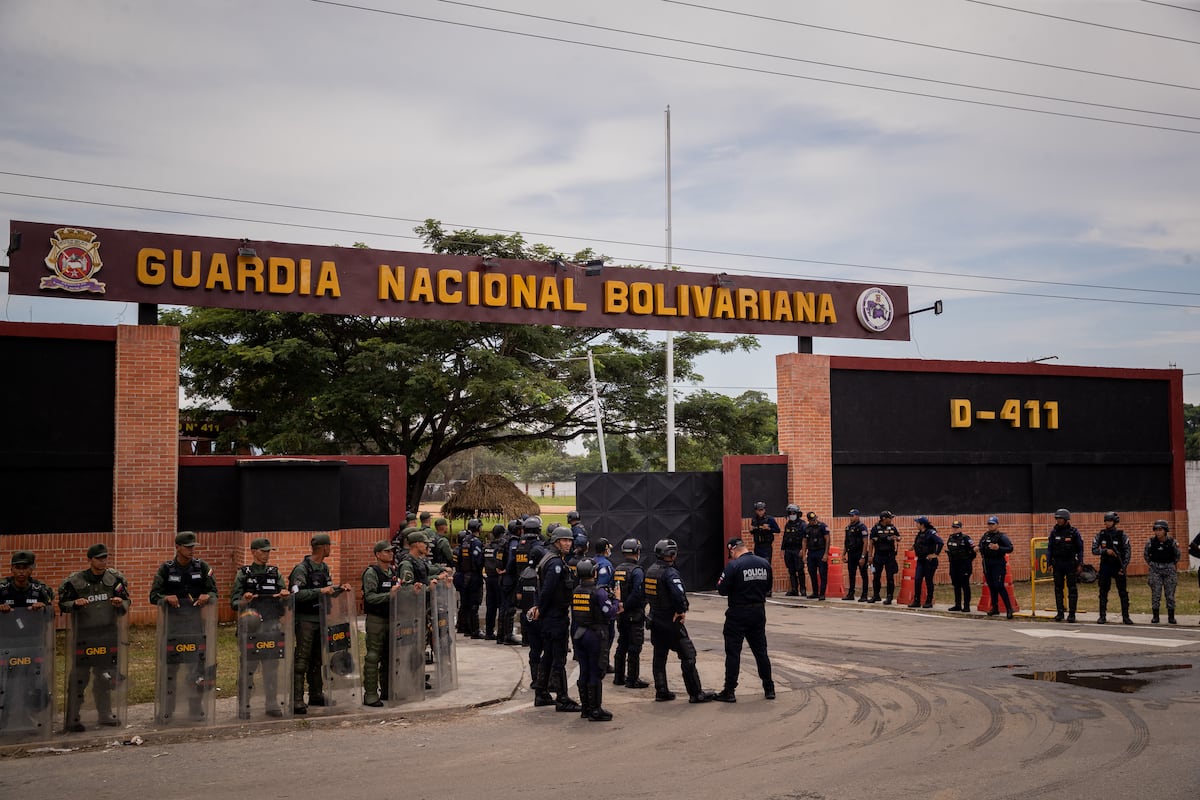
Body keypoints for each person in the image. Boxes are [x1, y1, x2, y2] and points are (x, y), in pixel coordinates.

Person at [59, 543, 130, 730]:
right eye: (99, 558)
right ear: (90, 560)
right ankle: (72, 717)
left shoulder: (115, 579)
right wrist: (74, 603)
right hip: (84, 635)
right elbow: (63, 604)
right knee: (79, 677)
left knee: (105, 676)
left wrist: (120, 603)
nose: (103, 561)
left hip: (108, 633)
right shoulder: (75, 581)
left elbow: (126, 602)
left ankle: (105, 714)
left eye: (105, 558)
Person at [149, 531, 218, 722]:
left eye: (193, 547)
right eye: (187, 547)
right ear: (177, 547)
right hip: (173, 627)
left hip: (195, 626)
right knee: (170, 670)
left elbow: (214, 592)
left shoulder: (202, 567)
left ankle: (195, 708)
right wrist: (165, 598)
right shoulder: (166, 569)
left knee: (195, 669)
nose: (191, 550)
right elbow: (153, 596)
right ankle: (167, 710)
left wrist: (207, 596)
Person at [645, 538, 716, 704]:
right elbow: (678, 594)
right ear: (671, 554)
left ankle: (661, 691)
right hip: (671, 620)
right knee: (688, 655)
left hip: (655, 619)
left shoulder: (650, 571)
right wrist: (681, 610)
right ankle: (696, 693)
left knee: (659, 656)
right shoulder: (670, 573)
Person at [289, 533, 352, 714]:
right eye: (329, 546)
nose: (330, 549)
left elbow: (327, 591)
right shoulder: (302, 569)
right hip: (306, 620)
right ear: (324, 547)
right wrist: (319, 591)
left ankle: (316, 694)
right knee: (302, 659)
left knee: (318, 658)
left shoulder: (324, 568)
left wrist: (340, 589)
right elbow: (296, 594)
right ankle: (297, 699)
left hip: (321, 618)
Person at [231, 537, 289, 718]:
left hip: (271, 625)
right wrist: (244, 600)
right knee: (248, 668)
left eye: (268, 551)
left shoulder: (274, 573)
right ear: (253, 551)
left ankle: (271, 703)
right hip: (251, 627)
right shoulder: (244, 574)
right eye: (263, 551)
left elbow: (285, 597)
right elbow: (234, 602)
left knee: (271, 667)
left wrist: (284, 596)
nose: (266, 554)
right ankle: (244, 705)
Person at [714, 538, 775, 703]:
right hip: (758, 611)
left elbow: (722, 589)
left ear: (733, 550)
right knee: (761, 652)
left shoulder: (734, 566)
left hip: (738, 613)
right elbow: (768, 587)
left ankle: (729, 691)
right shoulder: (764, 563)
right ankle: (769, 688)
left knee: (733, 653)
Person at [528, 527, 582, 712]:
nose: (568, 543)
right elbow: (547, 590)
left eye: (570, 540)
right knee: (559, 658)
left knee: (549, 656)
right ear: (556, 542)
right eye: (564, 540)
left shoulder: (549, 559)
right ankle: (562, 698)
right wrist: (540, 609)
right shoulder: (555, 563)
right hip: (554, 617)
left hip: (550, 616)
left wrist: (539, 608)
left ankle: (542, 693)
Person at [0, 551, 54, 733]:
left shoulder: (40, 590)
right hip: (7, 644)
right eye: (18, 567)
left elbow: (51, 615)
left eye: (25, 568)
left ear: (32, 569)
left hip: (33, 644)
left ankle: (31, 720)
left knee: (33, 684)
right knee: (5, 685)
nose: (21, 572)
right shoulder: (2, 589)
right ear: (11, 569)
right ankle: (4, 722)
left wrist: (43, 608)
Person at [571, 559, 618, 721]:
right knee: (596, 671)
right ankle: (595, 709)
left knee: (584, 670)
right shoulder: (598, 592)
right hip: (595, 635)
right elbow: (609, 612)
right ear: (593, 573)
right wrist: (616, 600)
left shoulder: (576, 591)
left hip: (579, 634)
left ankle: (585, 708)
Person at [362, 540, 399, 706]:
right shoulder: (372, 573)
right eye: (387, 551)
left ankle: (387, 690)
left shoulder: (393, 572)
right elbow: (369, 597)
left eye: (391, 551)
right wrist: (389, 595)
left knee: (389, 656)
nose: (390, 554)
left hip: (391, 618)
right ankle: (370, 694)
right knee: (373, 656)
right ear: (378, 554)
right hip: (376, 619)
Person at [611, 538, 648, 689]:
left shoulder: (618, 569)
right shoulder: (637, 571)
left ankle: (618, 677)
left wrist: (619, 605)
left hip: (621, 613)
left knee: (622, 644)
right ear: (637, 552)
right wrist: (626, 605)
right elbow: (638, 593)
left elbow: (614, 589)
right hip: (633, 613)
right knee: (634, 646)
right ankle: (632, 679)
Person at [1092, 512, 1133, 625]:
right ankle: (1102, 616)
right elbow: (1094, 550)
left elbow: (1127, 552)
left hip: (1118, 566)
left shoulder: (1122, 535)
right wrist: (1105, 551)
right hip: (1105, 566)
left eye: (1110, 521)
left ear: (1114, 522)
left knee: (1123, 592)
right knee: (1103, 591)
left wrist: (1124, 567)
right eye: (1106, 521)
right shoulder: (1101, 534)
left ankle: (1126, 616)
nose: (1107, 523)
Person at [1047, 508, 1084, 622]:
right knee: (1058, 588)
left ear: (1066, 519)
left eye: (1060, 518)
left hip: (1070, 563)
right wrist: (1049, 562)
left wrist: (1080, 563)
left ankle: (1072, 614)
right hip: (1058, 564)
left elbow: (1080, 549)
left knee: (1072, 588)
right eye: (1057, 518)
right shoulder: (1054, 532)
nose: (1058, 520)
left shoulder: (1074, 532)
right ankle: (1060, 613)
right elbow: (1050, 548)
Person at [1144, 520, 1181, 624]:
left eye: (1160, 530)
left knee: (1170, 594)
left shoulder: (1172, 542)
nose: (1158, 532)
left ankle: (1171, 617)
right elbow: (1146, 555)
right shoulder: (1150, 542)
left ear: (1165, 530)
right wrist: (1153, 564)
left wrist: (1169, 565)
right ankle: (1155, 616)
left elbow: (1177, 556)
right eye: (1156, 530)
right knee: (1156, 594)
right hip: (1155, 570)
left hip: (1169, 569)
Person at [978, 516, 1014, 618]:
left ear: (997, 525)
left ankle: (1009, 608)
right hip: (987, 563)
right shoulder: (985, 536)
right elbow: (981, 546)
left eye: (993, 524)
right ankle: (995, 608)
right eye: (989, 524)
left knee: (999, 586)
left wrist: (999, 548)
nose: (990, 526)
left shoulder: (1002, 537)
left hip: (997, 563)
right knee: (992, 586)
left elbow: (1010, 548)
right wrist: (977, 548)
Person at [454, 518, 485, 638]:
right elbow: (478, 560)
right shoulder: (476, 542)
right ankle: (475, 630)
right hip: (474, 575)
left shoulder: (465, 542)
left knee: (465, 603)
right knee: (474, 603)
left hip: (465, 575)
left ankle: (466, 628)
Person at [591, 538, 616, 673]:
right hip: (602, 604)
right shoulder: (605, 565)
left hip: (591, 604)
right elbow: (602, 587)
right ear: (606, 549)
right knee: (607, 634)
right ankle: (603, 663)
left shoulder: (591, 561)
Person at [908, 516, 943, 609]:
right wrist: (913, 547)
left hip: (929, 561)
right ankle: (916, 600)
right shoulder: (920, 534)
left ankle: (929, 601)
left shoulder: (931, 533)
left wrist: (936, 554)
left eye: (917, 523)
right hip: (921, 560)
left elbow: (940, 542)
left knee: (928, 581)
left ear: (922, 524)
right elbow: (919, 543)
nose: (916, 525)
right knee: (917, 579)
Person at [868, 511, 901, 604]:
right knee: (876, 576)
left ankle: (889, 597)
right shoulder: (875, 528)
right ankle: (876, 595)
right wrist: (870, 555)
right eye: (890, 518)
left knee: (890, 577)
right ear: (884, 519)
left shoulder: (892, 528)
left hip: (890, 555)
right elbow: (871, 543)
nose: (891, 520)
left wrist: (897, 538)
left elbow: (899, 537)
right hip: (878, 555)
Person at [482, 523, 507, 639]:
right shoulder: (501, 547)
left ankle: (489, 632)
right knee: (501, 605)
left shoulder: (487, 546)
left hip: (489, 578)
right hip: (499, 577)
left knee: (490, 606)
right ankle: (501, 633)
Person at [944, 521, 976, 612]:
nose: (955, 529)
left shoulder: (966, 538)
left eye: (957, 527)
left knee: (965, 585)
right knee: (956, 585)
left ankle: (966, 606)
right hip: (954, 564)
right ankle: (957, 605)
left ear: (961, 528)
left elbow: (973, 552)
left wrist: (967, 561)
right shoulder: (951, 537)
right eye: (953, 527)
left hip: (964, 565)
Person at [802, 511, 831, 600]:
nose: (814, 521)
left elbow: (827, 539)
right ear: (809, 520)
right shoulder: (806, 528)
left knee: (823, 573)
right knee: (812, 572)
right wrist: (804, 555)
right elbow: (804, 541)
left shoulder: (822, 526)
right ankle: (815, 592)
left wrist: (826, 553)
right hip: (811, 552)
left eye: (814, 519)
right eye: (812, 520)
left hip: (821, 551)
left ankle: (822, 594)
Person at [843, 509, 870, 602]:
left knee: (863, 574)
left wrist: (863, 556)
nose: (851, 518)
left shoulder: (862, 527)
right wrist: (843, 554)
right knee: (851, 574)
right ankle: (851, 594)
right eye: (850, 516)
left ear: (857, 516)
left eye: (852, 516)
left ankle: (864, 595)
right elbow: (846, 542)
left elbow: (865, 542)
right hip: (851, 553)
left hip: (860, 552)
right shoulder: (848, 528)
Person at [780, 504, 806, 597]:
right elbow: (785, 537)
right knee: (791, 570)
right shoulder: (788, 524)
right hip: (789, 550)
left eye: (793, 513)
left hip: (798, 549)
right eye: (790, 513)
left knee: (800, 570)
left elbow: (805, 539)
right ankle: (794, 589)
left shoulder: (802, 524)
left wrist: (803, 550)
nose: (792, 515)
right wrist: (782, 549)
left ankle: (803, 589)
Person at [748, 501, 780, 568]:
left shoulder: (770, 519)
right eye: (758, 510)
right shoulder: (754, 519)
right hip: (757, 545)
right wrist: (751, 530)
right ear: (756, 511)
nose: (760, 512)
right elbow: (753, 532)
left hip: (766, 546)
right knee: (757, 565)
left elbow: (777, 530)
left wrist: (769, 528)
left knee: (766, 564)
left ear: (764, 510)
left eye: (761, 510)